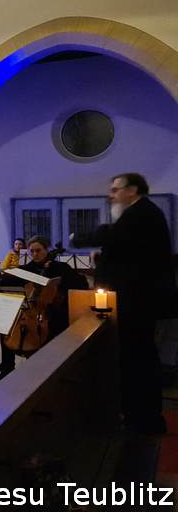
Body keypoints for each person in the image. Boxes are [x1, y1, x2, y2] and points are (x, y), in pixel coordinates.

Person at [73, 173, 175, 434]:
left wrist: (79, 239)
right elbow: (129, 251)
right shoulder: (141, 214)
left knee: (138, 360)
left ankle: (142, 419)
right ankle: (139, 414)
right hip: (136, 300)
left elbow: (111, 235)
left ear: (133, 190)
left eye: (115, 189)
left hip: (137, 303)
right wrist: (105, 259)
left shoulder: (139, 213)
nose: (111, 194)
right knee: (138, 358)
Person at [0, 235, 88, 381]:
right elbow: (5, 282)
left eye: (38, 251)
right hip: (29, 311)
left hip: (52, 313)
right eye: (32, 251)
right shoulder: (26, 269)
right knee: (7, 325)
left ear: (46, 249)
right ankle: (7, 366)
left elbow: (82, 284)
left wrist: (61, 281)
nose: (35, 254)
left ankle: (46, 367)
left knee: (53, 325)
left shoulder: (60, 268)